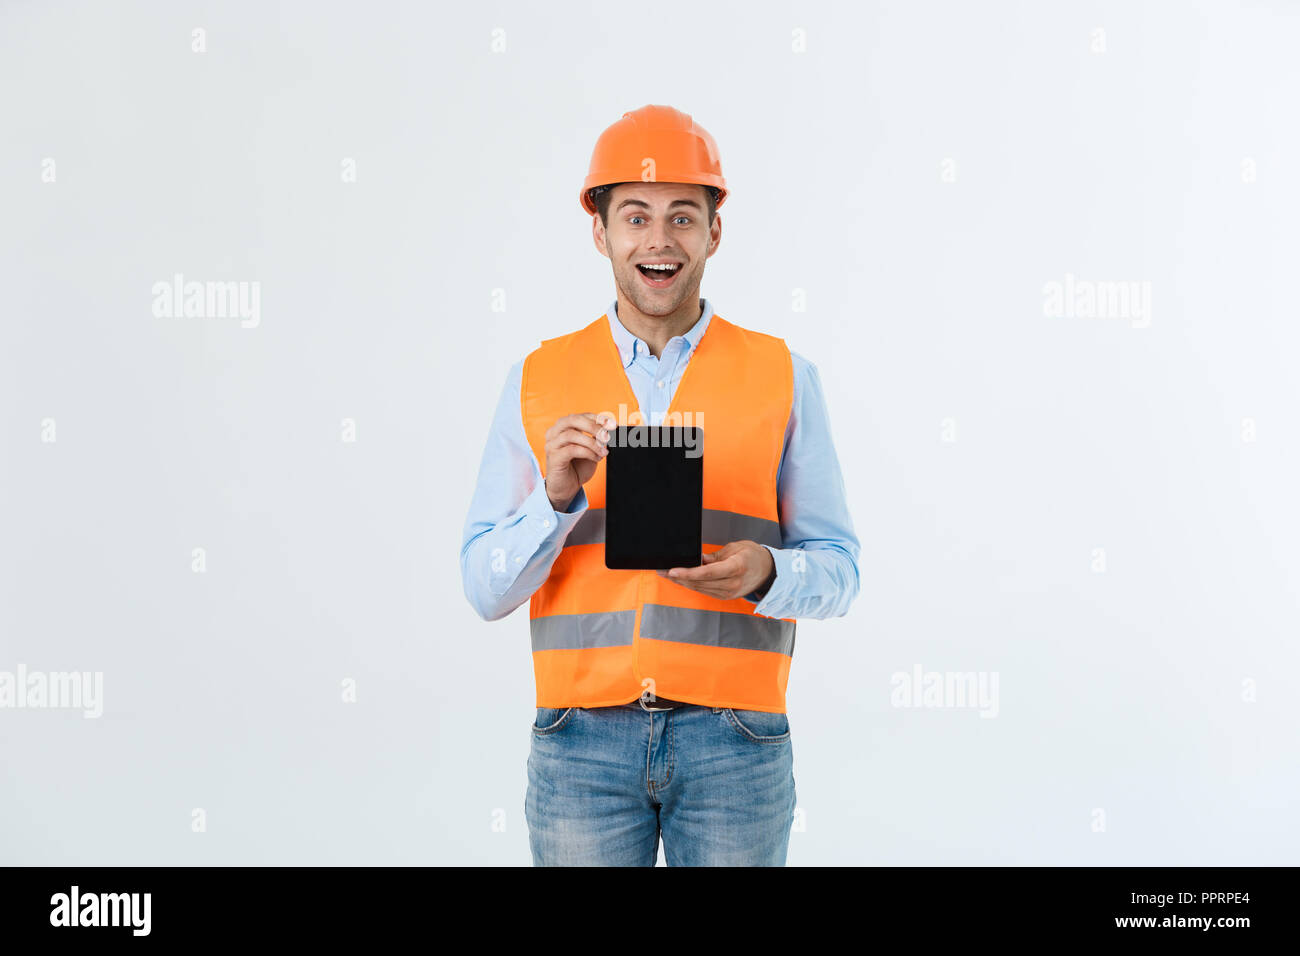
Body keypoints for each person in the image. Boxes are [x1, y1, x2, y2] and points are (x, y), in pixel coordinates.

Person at [460, 105, 860, 866]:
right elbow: (483, 587)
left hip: (736, 742)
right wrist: (550, 501)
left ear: (714, 232)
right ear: (600, 231)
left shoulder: (784, 377)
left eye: (683, 216)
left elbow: (841, 570)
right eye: (635, 216)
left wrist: (769, 571)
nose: (658, 240)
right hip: (579, 745)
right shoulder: (537, 380)